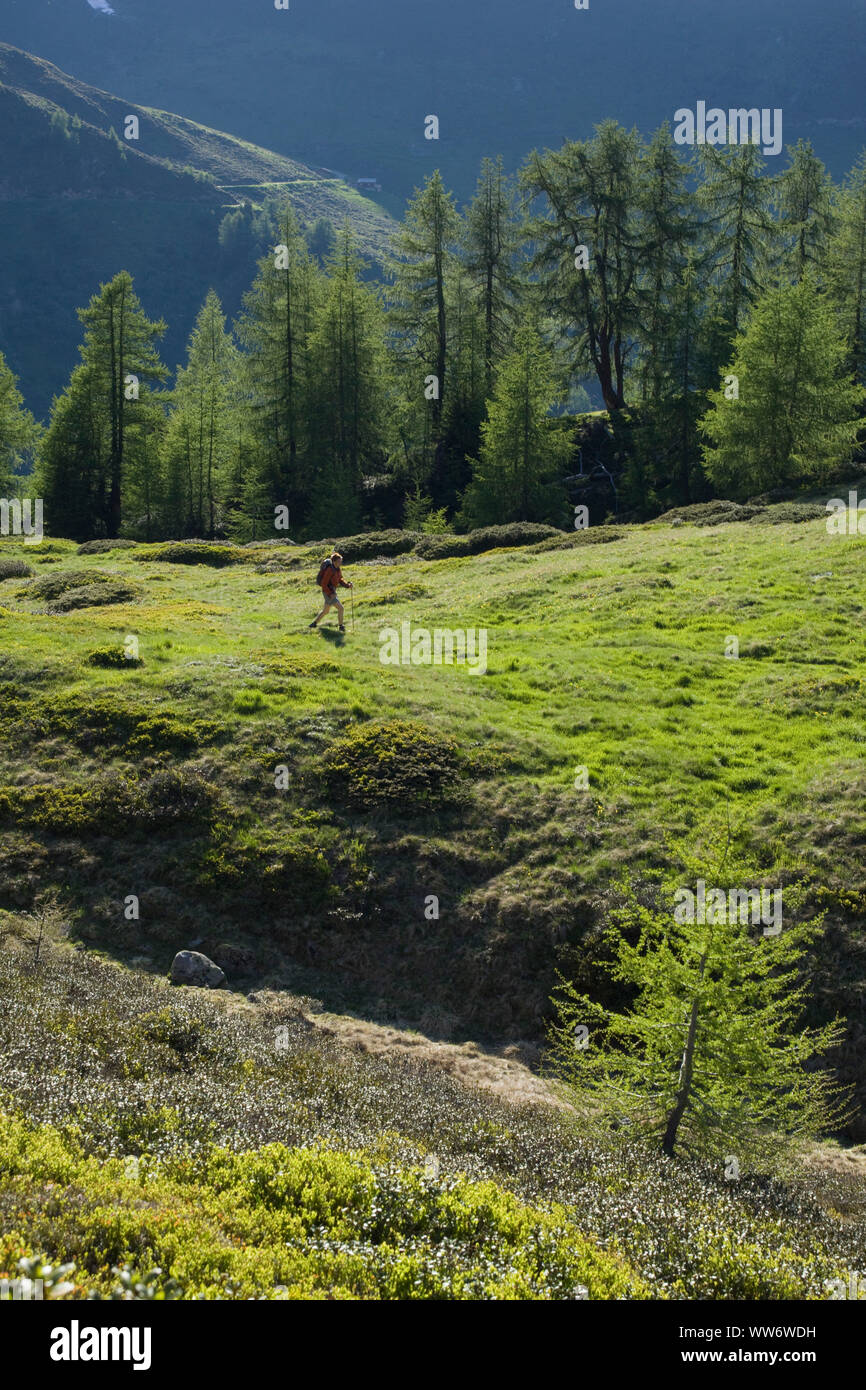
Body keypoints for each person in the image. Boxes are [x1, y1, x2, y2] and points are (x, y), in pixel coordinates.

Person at [309, 550, 353, 631]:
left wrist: (347, 585)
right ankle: (341, 626)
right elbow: (324, 584)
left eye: (341, 561)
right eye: (339, 561)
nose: (340, 563)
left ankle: (313, 624)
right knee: (341, 608)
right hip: (328, 592)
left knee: (326, 611)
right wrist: (330, 594)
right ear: (334, 561)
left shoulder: (337, 569)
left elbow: (340, 579)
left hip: (331, 592)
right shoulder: (330, 570)